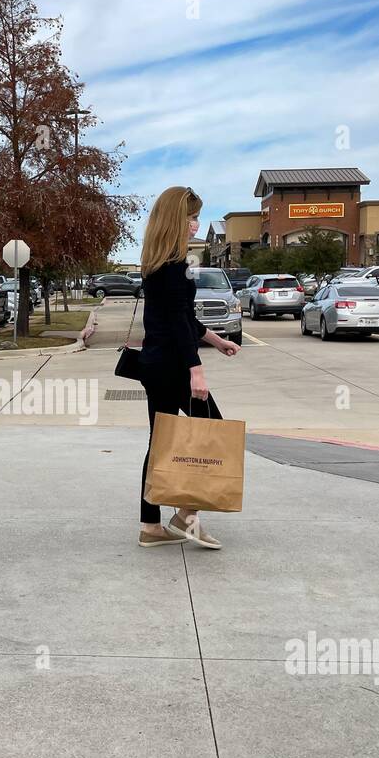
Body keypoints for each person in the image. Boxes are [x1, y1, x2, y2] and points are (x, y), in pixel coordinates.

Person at [136, 186, 239, 549]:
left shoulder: (157, 263)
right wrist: (196, 369)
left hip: (154, 363)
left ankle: (150, 527)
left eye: (197, 217)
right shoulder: (175, 266)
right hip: (172, 365)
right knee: (216, 434)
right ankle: (185, 517)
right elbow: (179, 323)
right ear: (173, 220)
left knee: (160, 443)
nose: (196, 224)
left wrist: (216, 339)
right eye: (191, 217)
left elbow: (179, 317)